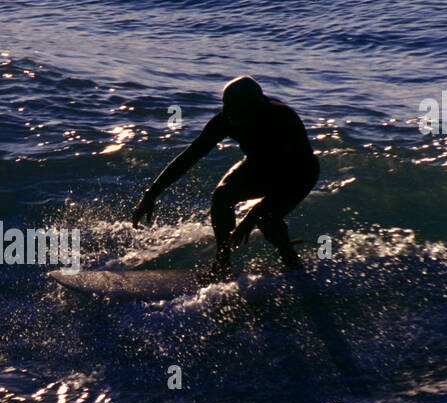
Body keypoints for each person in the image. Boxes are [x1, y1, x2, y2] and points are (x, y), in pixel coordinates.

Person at [130, 76, 318, 275]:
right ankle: (222, 264)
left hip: (299, 173)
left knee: (267, 220)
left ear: (256, 105)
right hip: (258, 166)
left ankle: (292, 265)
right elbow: (190, 156)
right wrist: (151, 194)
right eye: (227, 107)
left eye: (237, 109)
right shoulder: (226, 118)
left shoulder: (282, 119)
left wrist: (252, 217)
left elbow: (294, 175)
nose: (230, 114)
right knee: (222, 195)